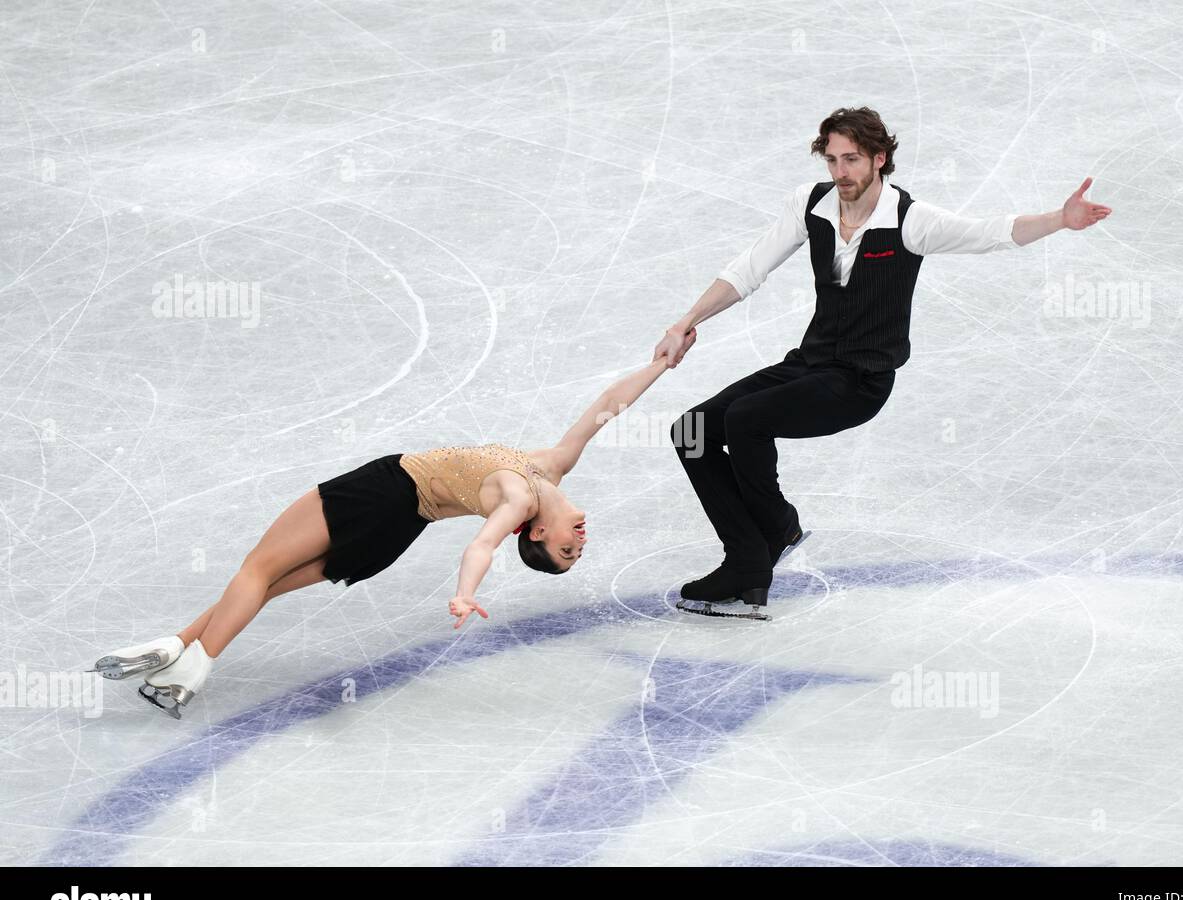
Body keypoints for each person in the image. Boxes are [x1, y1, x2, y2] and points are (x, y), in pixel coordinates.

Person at [654, 106, 1112, 617]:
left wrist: (1060, 220)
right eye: (831, 160)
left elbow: (989, 233)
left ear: (879, 158)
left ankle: (753, 558)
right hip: (808, 364)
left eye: (851, 160)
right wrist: (685, 323)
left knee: (745, 420)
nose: (840, 172)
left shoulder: (909, 220)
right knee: (691, 430)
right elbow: (748, 269)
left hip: (859, 381)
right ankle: (768, 536)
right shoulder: (813, 206)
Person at [90, 336, 695, 718]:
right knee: (266, 586)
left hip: (381, 495)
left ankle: (190, 670)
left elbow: (483, 544)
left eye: (567, 550)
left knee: (256, 569)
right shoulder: (548, 468)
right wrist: (659, 365)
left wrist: (465, 592)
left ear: (535, 534)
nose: (580, 540)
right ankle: (174, 646)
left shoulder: (516, 497)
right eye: (578, 548)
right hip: (397, 530)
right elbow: (604, 410)